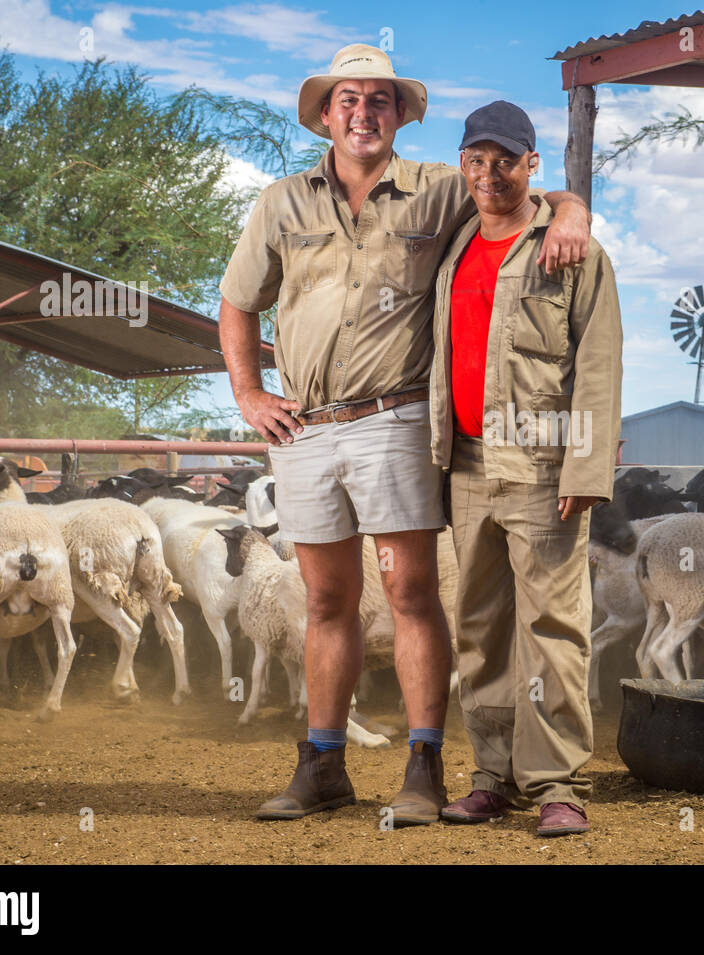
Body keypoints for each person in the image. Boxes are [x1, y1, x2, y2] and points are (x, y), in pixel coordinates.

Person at [217, 46, 591, 826]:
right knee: (325, 598)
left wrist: (575, 209)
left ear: (399, 115)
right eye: (348, 99)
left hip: (394, 418)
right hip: (307, 428)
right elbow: (237, 301)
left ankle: (423, 763)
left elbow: (519, 188)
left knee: (413, 593)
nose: (363, 113)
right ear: (326, 114)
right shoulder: (280, 203)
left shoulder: (441, 189)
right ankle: (322, 763)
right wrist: (250, 392)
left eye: (379, 100)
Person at [427, 101, 622, 836]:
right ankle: (491, 776)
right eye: (475, 159)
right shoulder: (455, 246)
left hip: (543, 465)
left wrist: (586, 468)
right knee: (478, 625)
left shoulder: (573, 251)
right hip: (467, 463)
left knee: (552, 626)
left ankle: (557, 784)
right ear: (462, 164)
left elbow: (599, 363)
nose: (488, 173)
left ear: (531, 164)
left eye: (504, 160)